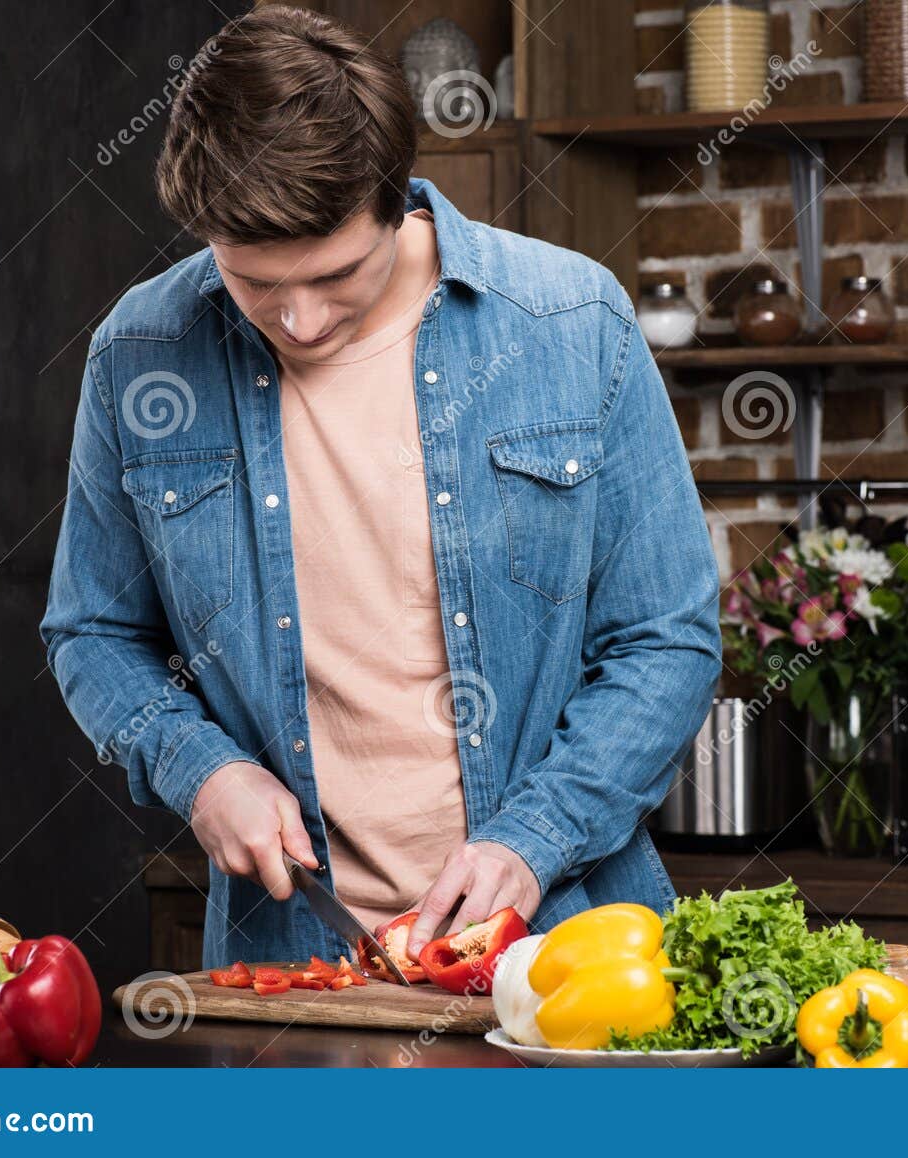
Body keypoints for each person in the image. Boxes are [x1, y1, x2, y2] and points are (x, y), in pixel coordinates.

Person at [39, 5, 720, 967]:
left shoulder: (570, 321)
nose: (302, 321)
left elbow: (667, 640)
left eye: (334, 275)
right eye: (254, 283)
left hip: (570, 949)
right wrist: (203, 773)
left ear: (395, 202)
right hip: (297, 964)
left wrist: (533, 841)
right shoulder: (142, 354)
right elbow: (94, 633)